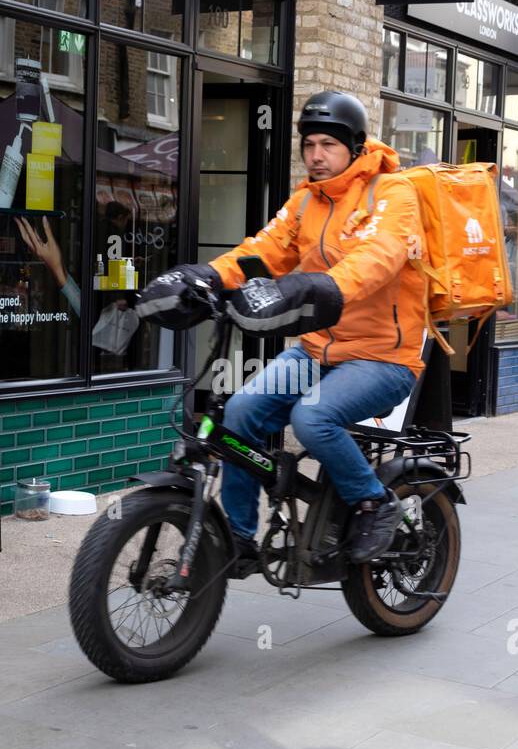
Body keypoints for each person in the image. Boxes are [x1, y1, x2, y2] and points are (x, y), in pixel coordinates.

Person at [135, 91, 424, 572]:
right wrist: (206, 278)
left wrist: (316, 288)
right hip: (317, 352)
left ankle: (376, 503)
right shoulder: (304, 202)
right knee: (239, 415)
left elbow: (376, 259)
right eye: (309, 144)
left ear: (355, 146)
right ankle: (242, 539)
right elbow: (262, 252)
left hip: (383, 358)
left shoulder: (391, 194)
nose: (316, 155)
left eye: (328, 144)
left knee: (312, 419)